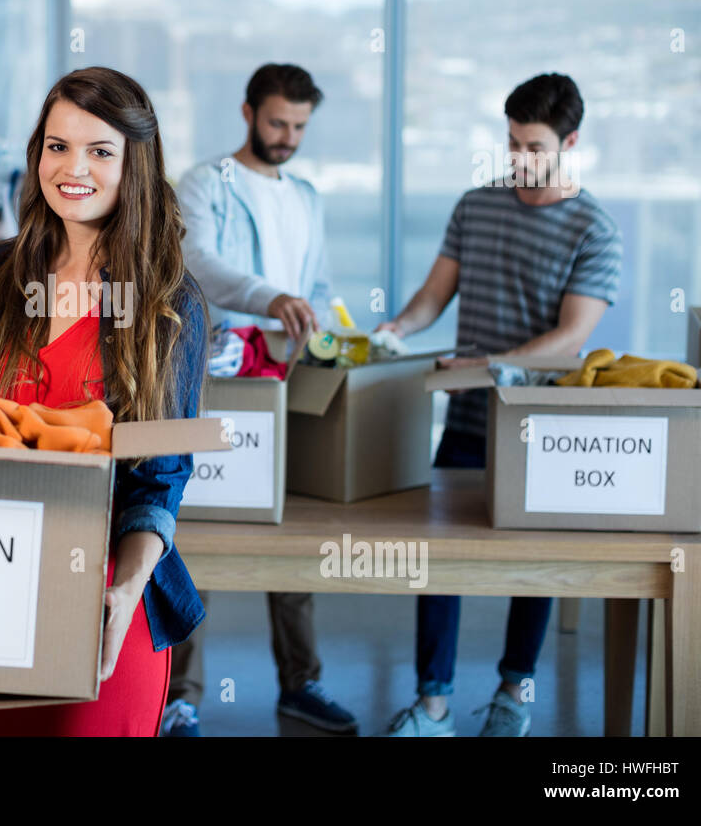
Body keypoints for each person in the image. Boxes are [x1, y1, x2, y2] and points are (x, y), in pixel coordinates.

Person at [0, 66, 209, 736]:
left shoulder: (169, 307)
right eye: (57, 146)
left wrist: (122, 591)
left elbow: (158, 482)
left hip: (102, 605)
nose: (72, 168)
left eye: (99, 151)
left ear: (134, 165)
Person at [378, 72, 621, 736]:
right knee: (436, 556)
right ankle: (433, 705)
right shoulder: (476, 206)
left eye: (534, 146)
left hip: (538, 426)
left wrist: (484, 368)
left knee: (532, 564)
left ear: (571, 141)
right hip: (464, 418)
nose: (518, 158)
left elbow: (570, 339)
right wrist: (394, 329)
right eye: (511, 142)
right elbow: (433, 299)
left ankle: (514, 694)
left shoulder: (595, 229)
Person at [165, 63, 355, 736]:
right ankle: (179, 696)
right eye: (277, 122)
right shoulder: (204, 182)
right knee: (201, 522)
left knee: (292, 526)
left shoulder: (307, 196)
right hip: (224, 376)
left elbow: (320, 280)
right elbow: (200, 266)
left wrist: (333, 331)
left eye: (300, 126)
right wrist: (269, 298)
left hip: (289, 376)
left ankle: (302, 683)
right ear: (248, 112)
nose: (288, 136)